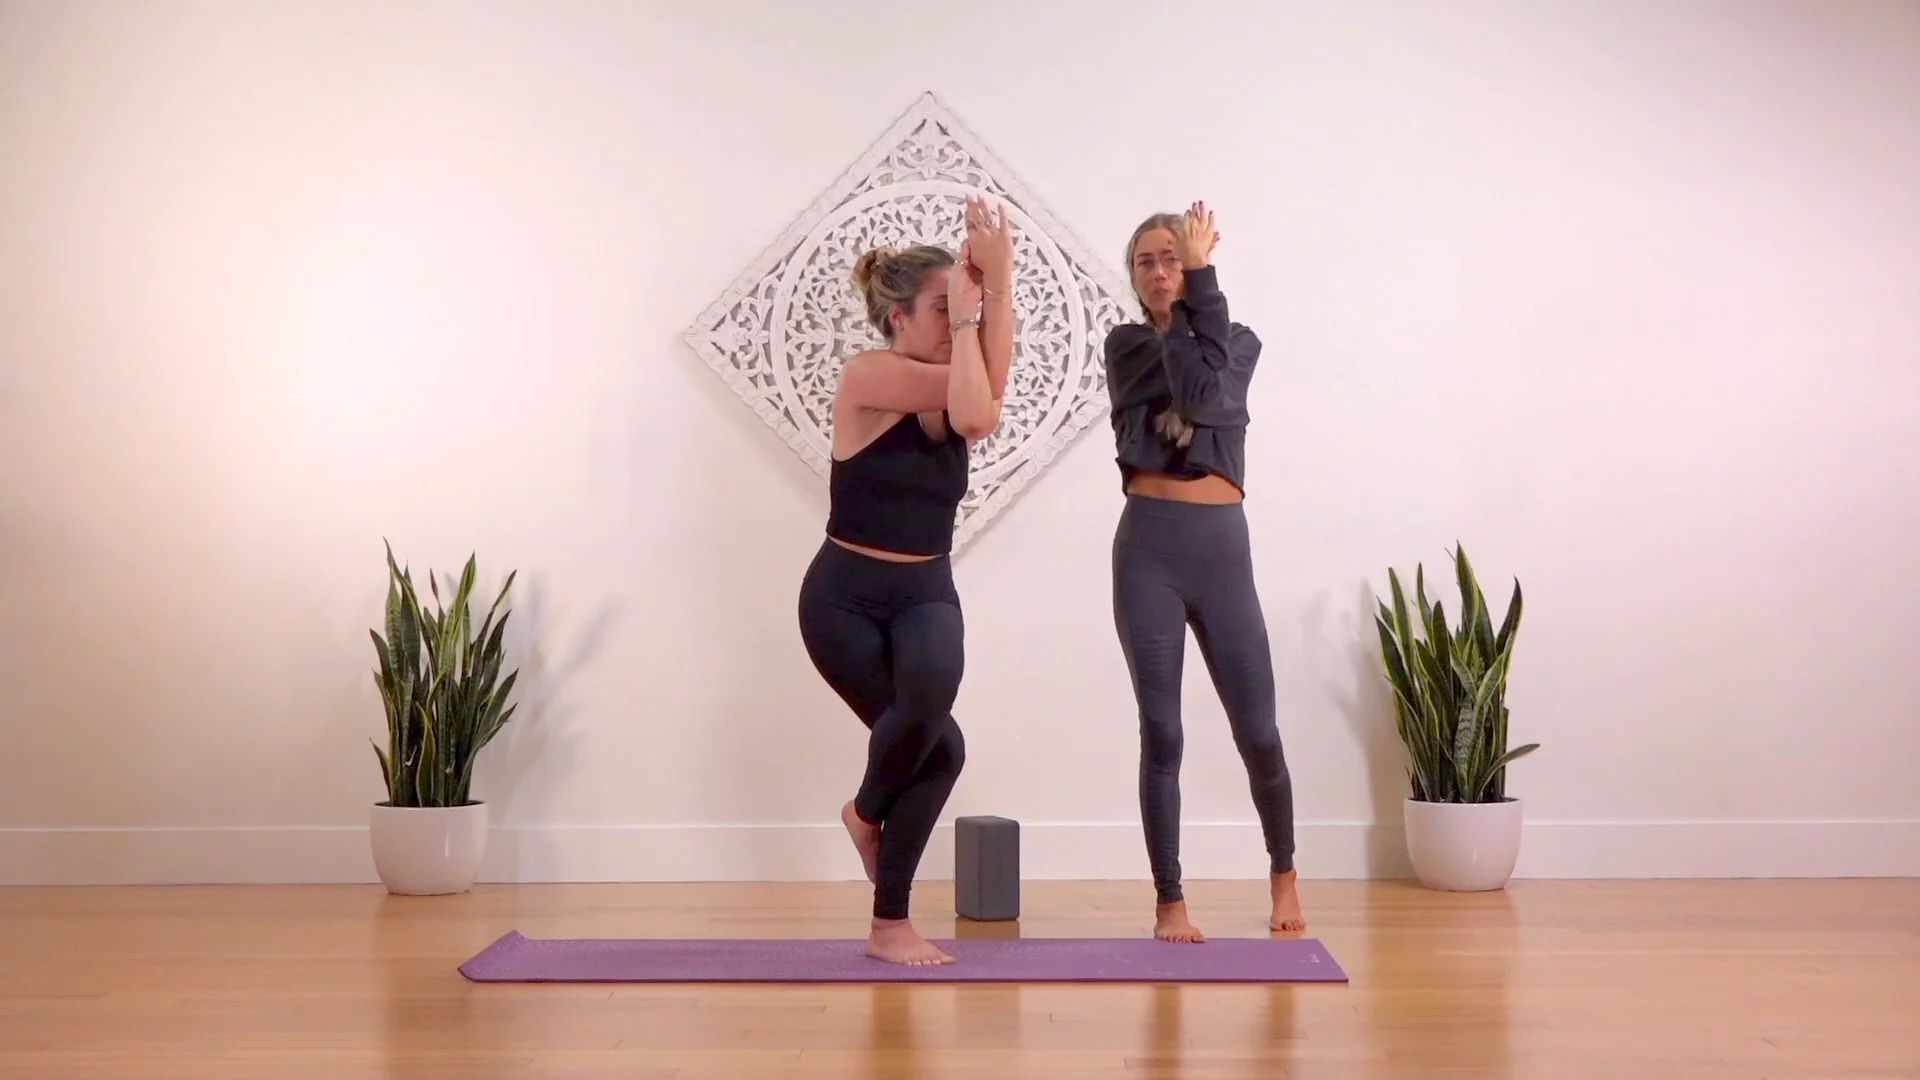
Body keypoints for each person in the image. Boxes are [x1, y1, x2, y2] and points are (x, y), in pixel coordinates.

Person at [796, 195, 1015, 965]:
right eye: (941, 308)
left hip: (925, 591)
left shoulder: (956, 383)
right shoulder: (870, 375)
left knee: (940, 742)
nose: (955, 320)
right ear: (898, 317)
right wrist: (979, 308)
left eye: (958, 308)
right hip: (843, 601)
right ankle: (890, 922)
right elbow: (980, 409)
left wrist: (999, 283)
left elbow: (984, 394)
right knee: (938, 746)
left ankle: (866, 817)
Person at [1103, 200, 1305, 942]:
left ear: (1195, 267)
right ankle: (1170, 900)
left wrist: (1202, 285)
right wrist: (1199, 299)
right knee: (1162, 731)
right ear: (1133, 277)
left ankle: (1284, 872)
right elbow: (1193, 390)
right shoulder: (1126, 345)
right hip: (1149, 550)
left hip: (1222, 552)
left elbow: (1207, 397)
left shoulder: (1240, 342)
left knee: (1258, 731)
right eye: (1146, 262)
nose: (1160, 273)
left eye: (1173, 259)